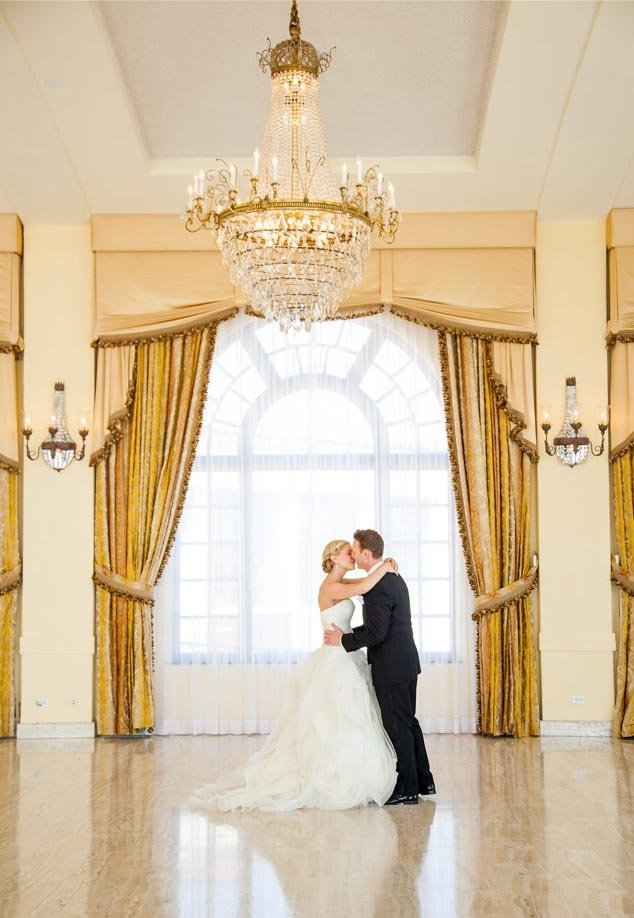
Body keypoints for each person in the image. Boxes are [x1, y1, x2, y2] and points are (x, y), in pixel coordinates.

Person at [190, 539, 398, 811]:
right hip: (335, 658)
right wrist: (385, 567)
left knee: (354, 717)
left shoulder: (343, 583)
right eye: (347, 553)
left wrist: (381, 569)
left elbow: (363, 585)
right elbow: (364, 586)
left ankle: (355, 772)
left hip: (346, 653)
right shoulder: (329, 586)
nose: (352, 556)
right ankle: (331, 777)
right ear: (334, 558)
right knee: (335, 717)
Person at [324, 528, 435, 805]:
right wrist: (385, 565)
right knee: (408, 722)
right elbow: (379, 627)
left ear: (365, 553)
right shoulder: (391, 577)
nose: (352, 554)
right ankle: (423, 780)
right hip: (406, 661)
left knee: (397, 725)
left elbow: (376, 634)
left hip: (392, 666)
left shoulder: (377, 586)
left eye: (354, 549)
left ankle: (407, 788)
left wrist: (344, 639)